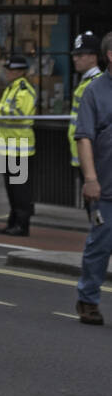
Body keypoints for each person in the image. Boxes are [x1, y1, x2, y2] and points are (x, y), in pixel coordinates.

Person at [74, 30, 112, 325]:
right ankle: (88, 300)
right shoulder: (94, 91)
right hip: (105, 185)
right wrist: (90, 179)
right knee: (100, 245)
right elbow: (84, 137)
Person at [0, 52, 36, 236]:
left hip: (20, 147)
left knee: (20, 190)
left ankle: (22, 225)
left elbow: (18, 114)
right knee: (12, 189)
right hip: (9, 146)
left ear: (19, 72)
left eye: (10, 70)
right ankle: (13, 222)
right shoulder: (12, 88)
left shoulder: (24, 89)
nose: (7, 73)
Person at [68, 32, 102, 221]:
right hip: (83, 157)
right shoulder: (86, 83)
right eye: (75, 55)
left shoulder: (96, 84)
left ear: (93, 57)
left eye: (80, 55)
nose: (75, 59)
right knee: (92, 210)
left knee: (97, 210)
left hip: (93, 159)